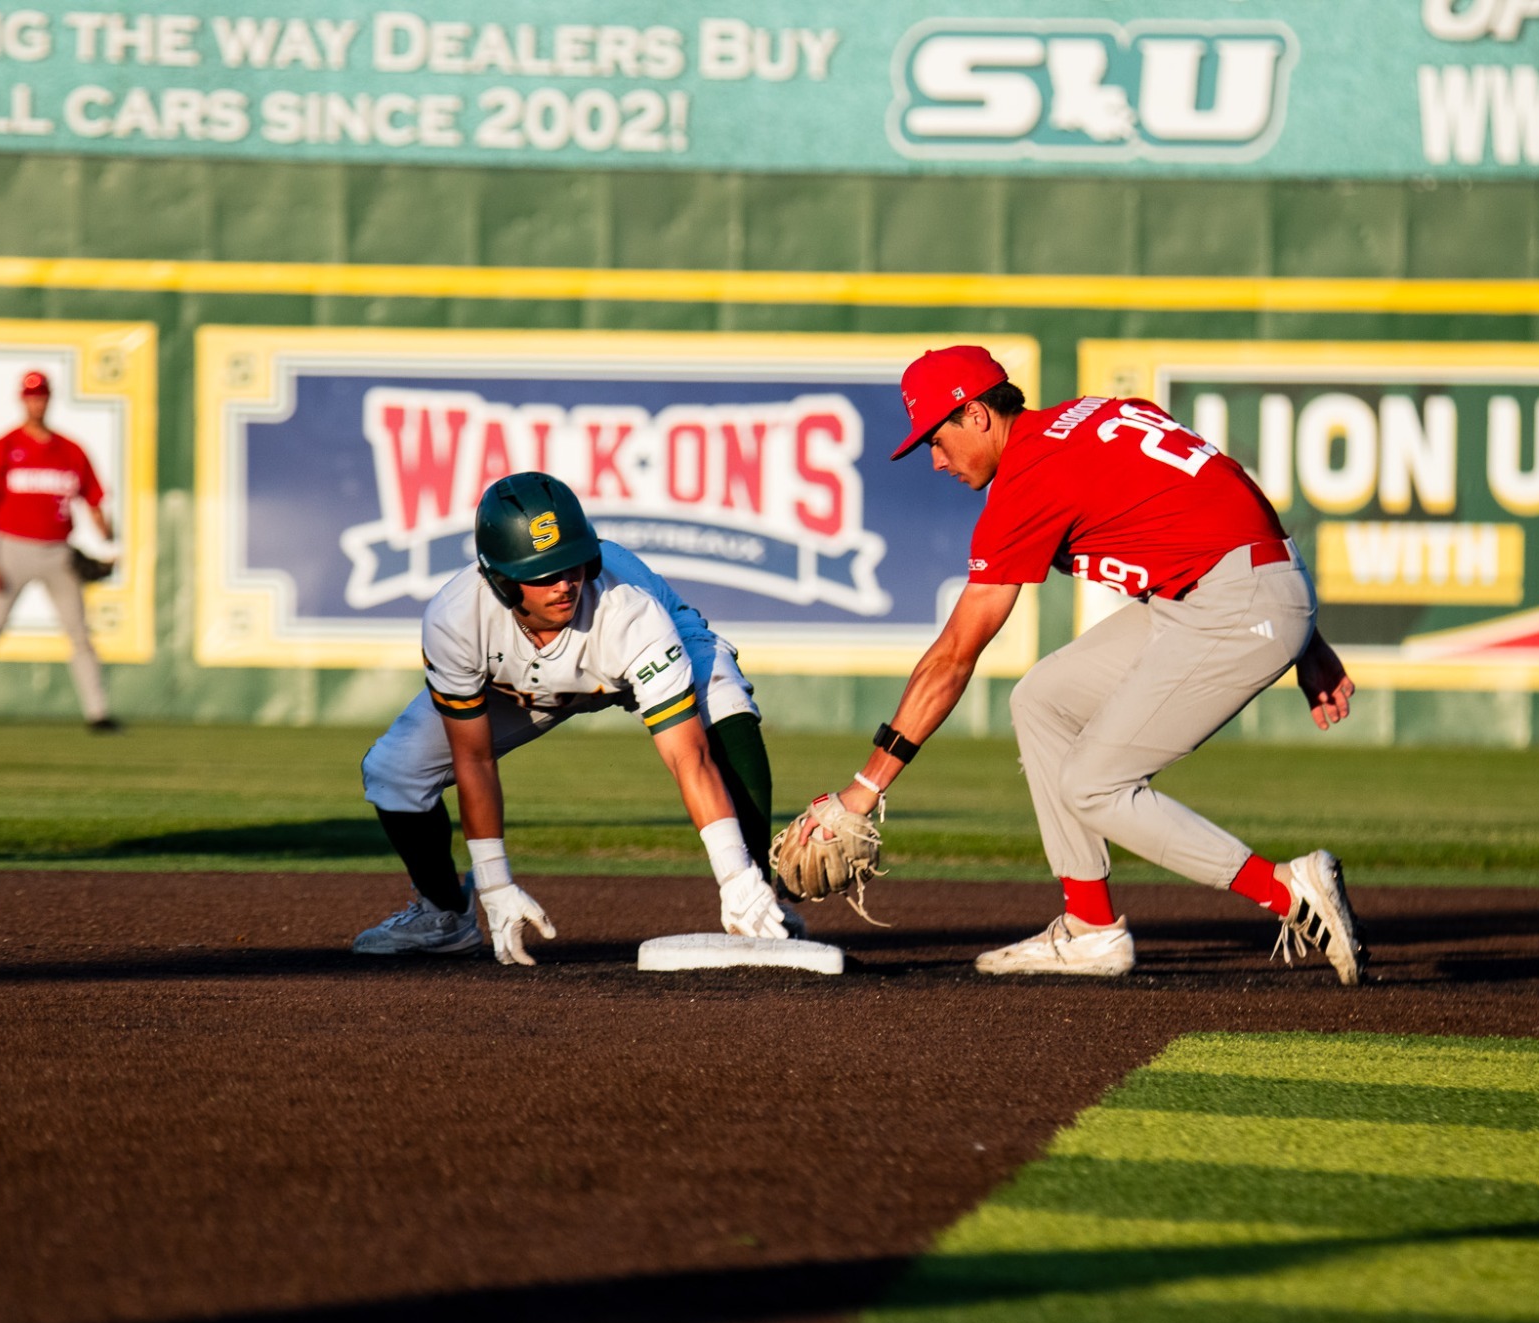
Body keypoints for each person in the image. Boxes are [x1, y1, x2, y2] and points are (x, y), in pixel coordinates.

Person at [817, 346, 1366, 983]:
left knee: (1094, 785)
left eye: (937, 440)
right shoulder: (1094, 414)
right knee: (1042, 699)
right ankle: (1090, 929)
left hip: (1234, 602)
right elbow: (1227, 486)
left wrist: (865, 789)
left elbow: (954, 656)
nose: (936, 460)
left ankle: (1288, 889)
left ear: (977, 415)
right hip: (1228, 587)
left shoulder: (1028, 479)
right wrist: (1307, 634)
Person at [354, 472, 797, 964]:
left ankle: (756, 898)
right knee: (394, 769)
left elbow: (688, 758)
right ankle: (443, 914)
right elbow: (474, 758)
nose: (565, 584)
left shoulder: (630, 610)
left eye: (574, 564)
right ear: (500, 580)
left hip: (642, 649)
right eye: (543, 575)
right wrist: (495, 884)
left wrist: (735, 877)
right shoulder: (456, 618)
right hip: (518, 685)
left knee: (724, 699)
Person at [0, 370, 119, 734]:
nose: (36, 403)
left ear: (49, 400)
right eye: (31, 397)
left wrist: (110, 540)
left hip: (58, 553)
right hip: (12, 550)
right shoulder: (4, 446)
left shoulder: (70, 451)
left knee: (79, 633)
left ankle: (98, 713)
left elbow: (94, 501)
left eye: (41, 396)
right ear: (22, 400)